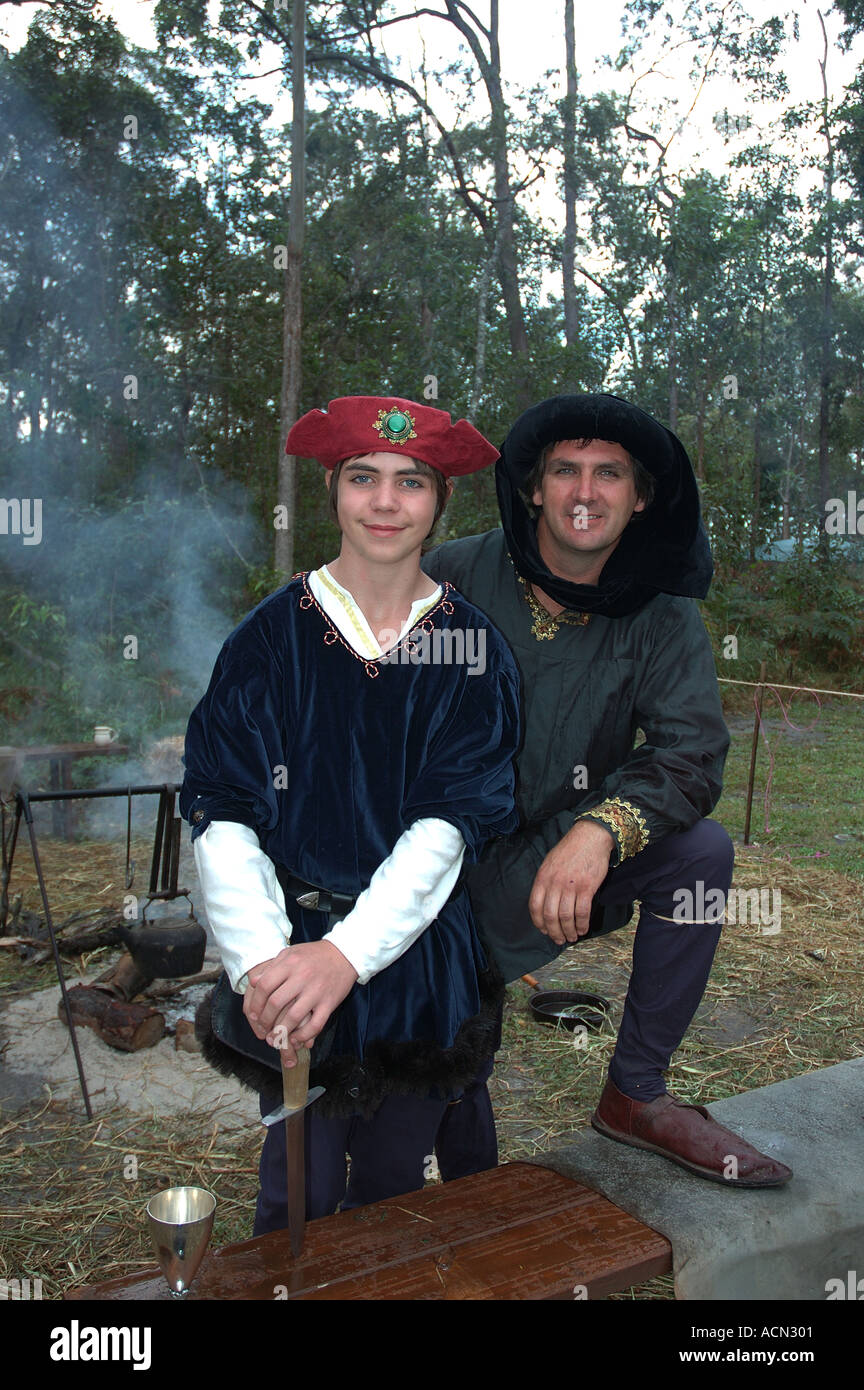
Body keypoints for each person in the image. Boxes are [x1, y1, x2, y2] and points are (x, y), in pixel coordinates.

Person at [423, 392, 792, 1188]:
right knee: (442, 1100)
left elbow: (691, 749)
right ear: (532, 488)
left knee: (700, 852)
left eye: (608, 474)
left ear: (640, 497)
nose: (584, 492)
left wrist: (601, 831)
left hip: (559, 855)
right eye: (564, 471)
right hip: (433, 867)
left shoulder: (660, 614)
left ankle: (635, 1094)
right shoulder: (451, 573)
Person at [180, 396, 521, 1233]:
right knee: (292, 1191)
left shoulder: (469, 648)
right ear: (333, 491)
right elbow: (222, 806)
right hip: (290, 958)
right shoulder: (269, 638)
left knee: (391, 1191)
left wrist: (347, 956)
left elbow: (447, 827)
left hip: (415, 964)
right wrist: (265, 963)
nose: (384, 501)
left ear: (440, 502)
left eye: (410, 482)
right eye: (363, 478)